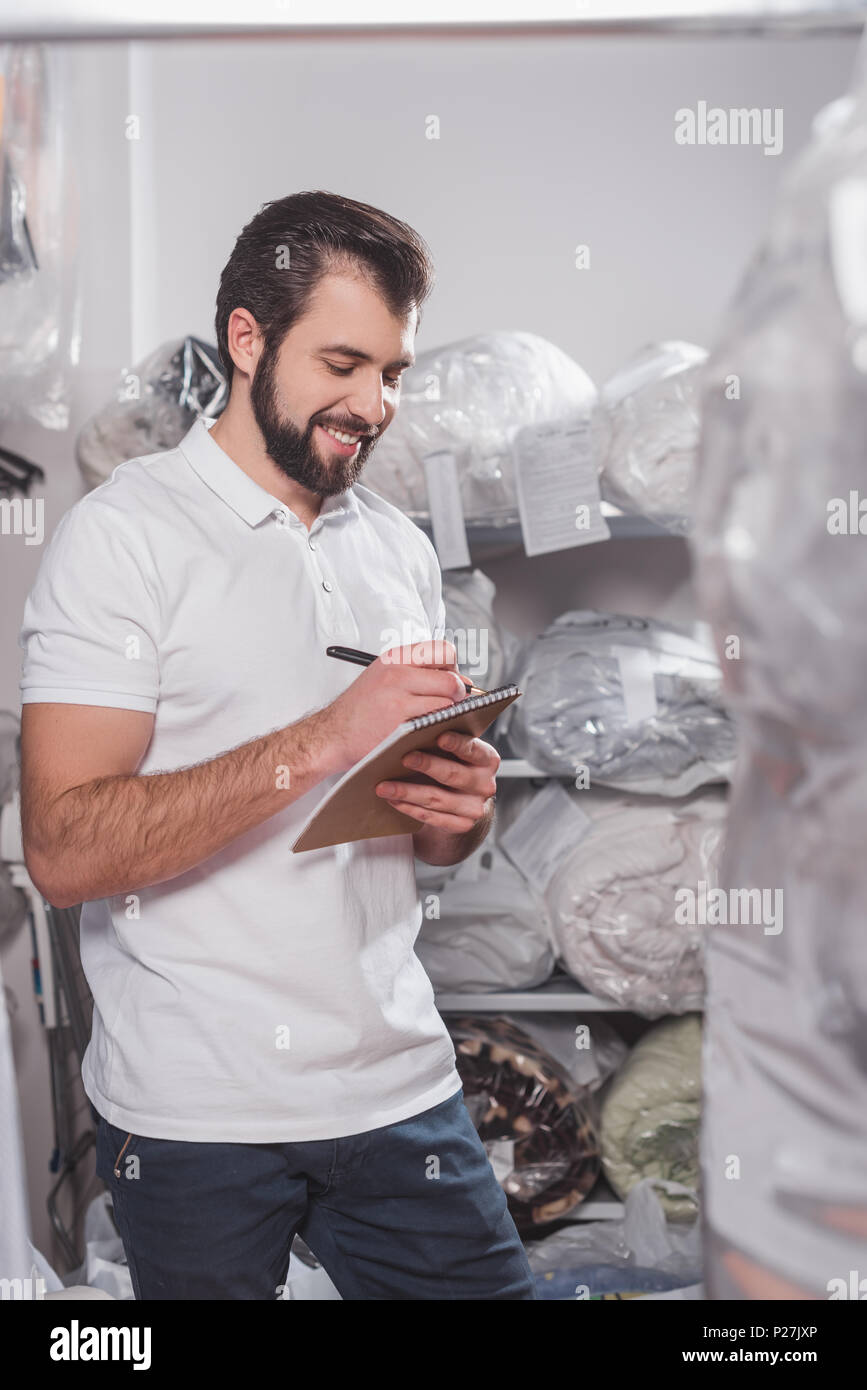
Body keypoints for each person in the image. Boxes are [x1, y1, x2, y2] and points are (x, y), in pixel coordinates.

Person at [18, 190, 537, 1301]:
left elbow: (409, 836)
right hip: (197, 1111)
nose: (375, 404)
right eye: (343, 363)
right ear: (245, 340)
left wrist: (457, 815)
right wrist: (320, 736)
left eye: (394, 372)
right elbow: (62, 850)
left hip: (397, 1081)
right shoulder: (124, 538)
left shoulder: (395, 547)